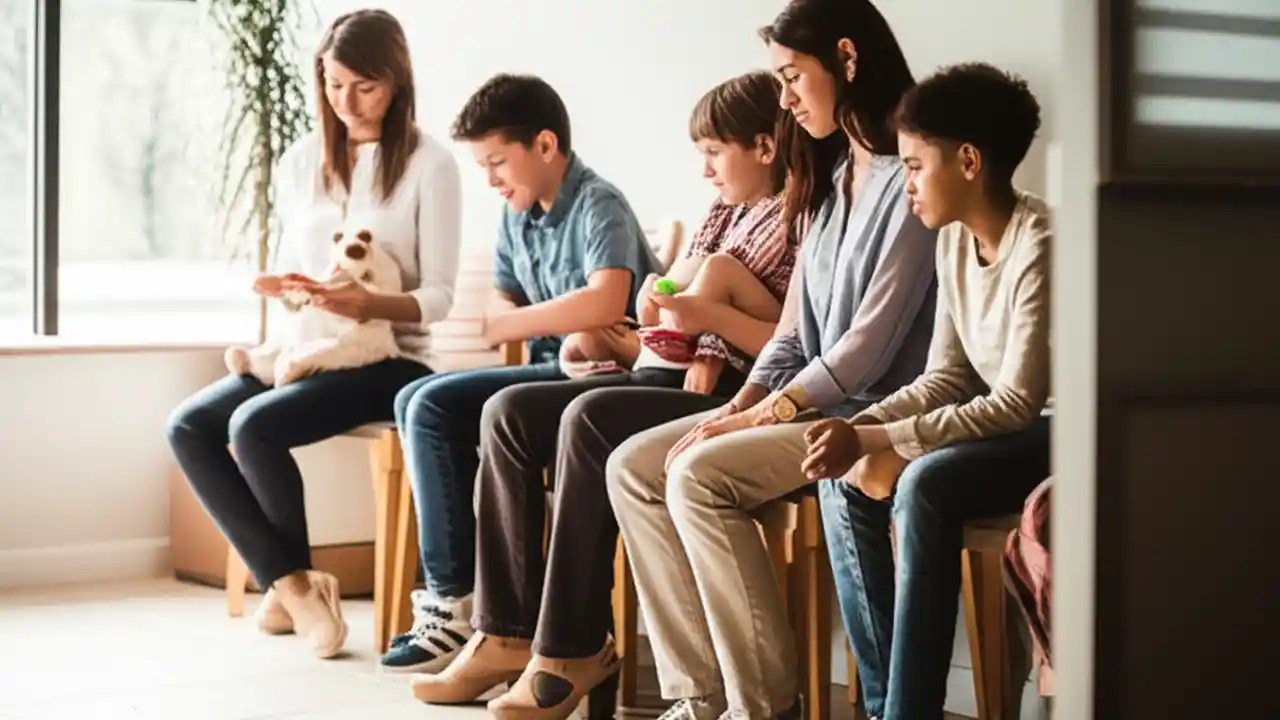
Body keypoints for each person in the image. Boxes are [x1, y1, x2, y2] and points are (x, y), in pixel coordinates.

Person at [405, 71, 796, 720]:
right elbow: (673, 299)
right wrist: (654, 315)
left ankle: (571, 648)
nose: (702, 172)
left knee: (589, 417)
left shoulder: (797, 217)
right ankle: (505, 630)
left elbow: (785, 332)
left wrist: (703, 341)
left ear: (765, 147)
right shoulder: (726, 210)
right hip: (664, 370)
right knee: (506, 413)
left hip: (732, 388)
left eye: (712, 153)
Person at [606, 1, 939, 717]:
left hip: (867, 416)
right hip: (805, 404)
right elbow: (794, 333)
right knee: (633, 465)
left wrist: (766, 413)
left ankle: (760, 706)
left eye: (793, 76)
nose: (784, 98)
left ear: (848, 61)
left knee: (697, 474)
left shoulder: (909, 177)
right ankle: (699, 697)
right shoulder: (827, 177)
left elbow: (867, 349)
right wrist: (736, 408)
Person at [165, 9, 460, 659]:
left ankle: (288, 587)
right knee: (188, 426)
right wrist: (289, 289)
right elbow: (299, 266)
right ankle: (296, 585)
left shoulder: (430, 165)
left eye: (365, 86)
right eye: (333, 85)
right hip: (306, 348)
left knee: (254, 426)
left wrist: (368, 302)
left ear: (397, 80)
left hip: (391, 360)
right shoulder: (303, 160)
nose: (347, 102)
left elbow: (439, 297)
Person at [381, 73, 661, 671]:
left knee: (433, 408)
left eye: (497, 162)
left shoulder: (598, 203)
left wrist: (513, 323)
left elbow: (605, 303)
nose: (490, 179)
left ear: (544, 146)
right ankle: (456, 596)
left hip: (603, 378)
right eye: (482, 165)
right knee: (414, 398)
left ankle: (455, 605)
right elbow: (502, 305)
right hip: (547, 369)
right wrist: (518, 321)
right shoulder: (517, 214)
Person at [801, 62, 1051, 720]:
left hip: (1060, 432)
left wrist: (876, 434)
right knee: (843, 474)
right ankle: (893, 705)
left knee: (926, 483)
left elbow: (1018, 404)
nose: (906, 184)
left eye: (915, 165)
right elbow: (946, 379)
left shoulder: (1042, 243)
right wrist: (855, 433)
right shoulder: (952, 244)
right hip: (998, 432)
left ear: (968, 161)